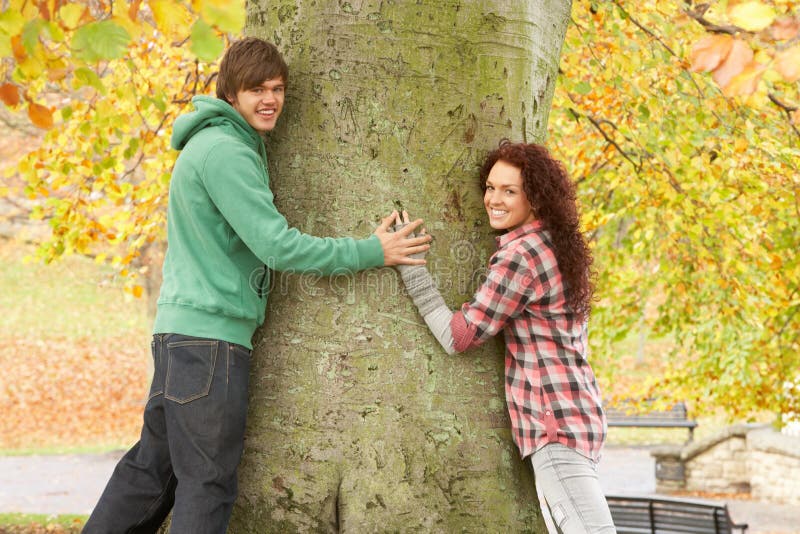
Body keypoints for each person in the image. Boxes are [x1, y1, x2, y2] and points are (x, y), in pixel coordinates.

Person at [82, 37, 431, 534]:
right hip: (210, 344)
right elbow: (278, 245)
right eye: (256, 90)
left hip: (181, 337)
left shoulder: (212, 144)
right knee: (207, 483)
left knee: (150, 474)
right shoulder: (226, 152)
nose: (270, 100)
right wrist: (371, 251)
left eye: (278, 88)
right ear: (230, 93)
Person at [395, 141, 615, 534]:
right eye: (491, 187)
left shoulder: (523, 255)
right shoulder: (555, 245)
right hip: (577, 414)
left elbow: (457, 336)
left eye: (509, 191)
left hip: (554, 426)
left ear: (536, 198)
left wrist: (410, 266)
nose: (494, 199)